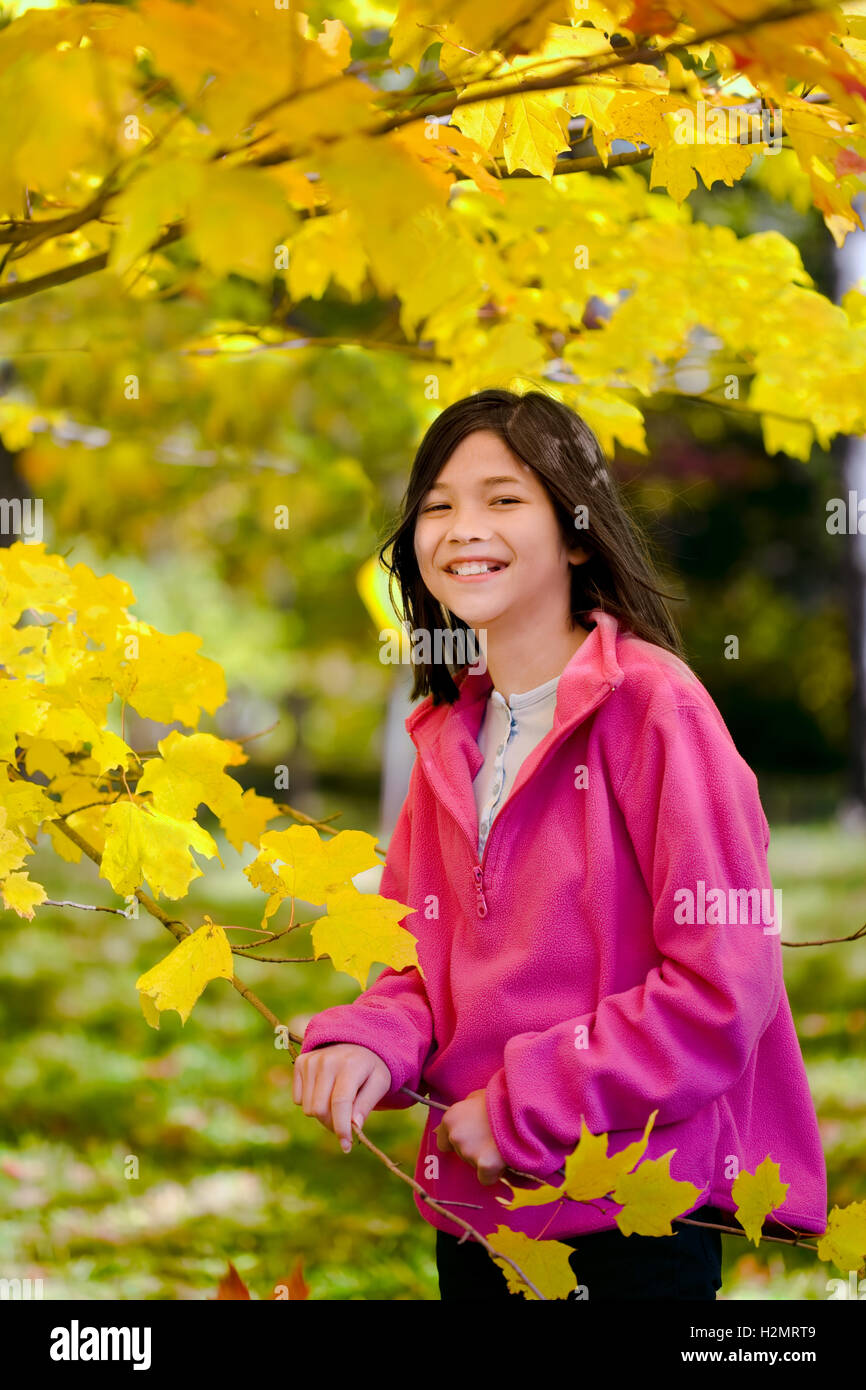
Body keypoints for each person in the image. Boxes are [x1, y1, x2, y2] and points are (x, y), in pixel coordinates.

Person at [293, 387, 828, 1301]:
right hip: (475, 1212)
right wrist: (371, 1042)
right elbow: (417, 965)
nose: (465, 527)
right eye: (438, 506)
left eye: (504, 499)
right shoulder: (447, 737)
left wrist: (522, 1105)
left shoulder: (657, 710)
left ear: (577, 533)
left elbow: (722, 985)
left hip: (630, 1214)